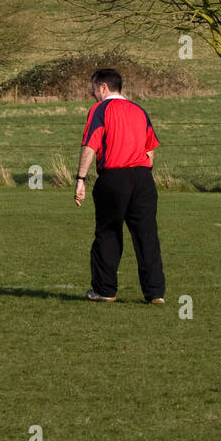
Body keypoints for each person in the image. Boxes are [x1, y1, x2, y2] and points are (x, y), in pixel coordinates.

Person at [75, 68, 165, 304]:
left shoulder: (100, 110)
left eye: (94, 87)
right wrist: (143, 175)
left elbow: (90, 146)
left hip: (114, 178)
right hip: (143, 178)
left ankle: (105, 290)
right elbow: (150, 149)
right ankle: (155, 293)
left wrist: (80, 179)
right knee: (147, 236)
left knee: (108, 233)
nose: (92, 93)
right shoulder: (139, 110)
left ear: (103, 87)